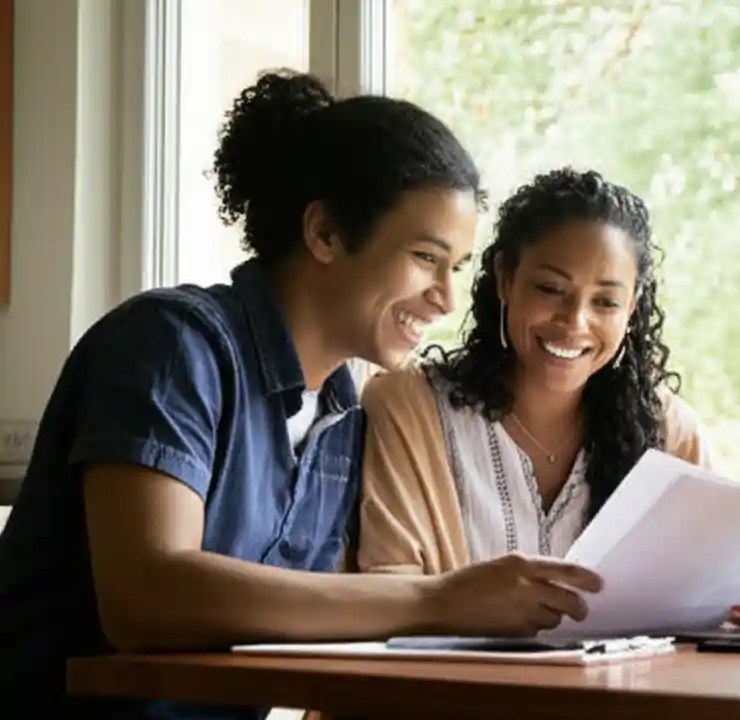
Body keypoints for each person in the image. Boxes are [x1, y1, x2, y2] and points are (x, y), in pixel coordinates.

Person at [0, 71, 601, 719]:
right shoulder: (172, 346)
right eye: (426, 257)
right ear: (324, 234)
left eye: (454, 268)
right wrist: (440, 599)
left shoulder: (346, 416)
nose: (447, 299)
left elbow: (317, 615)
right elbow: (147, 597)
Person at [356, 167, 740, 627]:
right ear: (505, 281)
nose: (574, 322)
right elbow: (387, 591)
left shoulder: (668, 428)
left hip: (623, 699)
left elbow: (722, 582)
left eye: (606, 302)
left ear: (632, 308)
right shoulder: (409, 405)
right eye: (550, 289)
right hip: (451, 699)